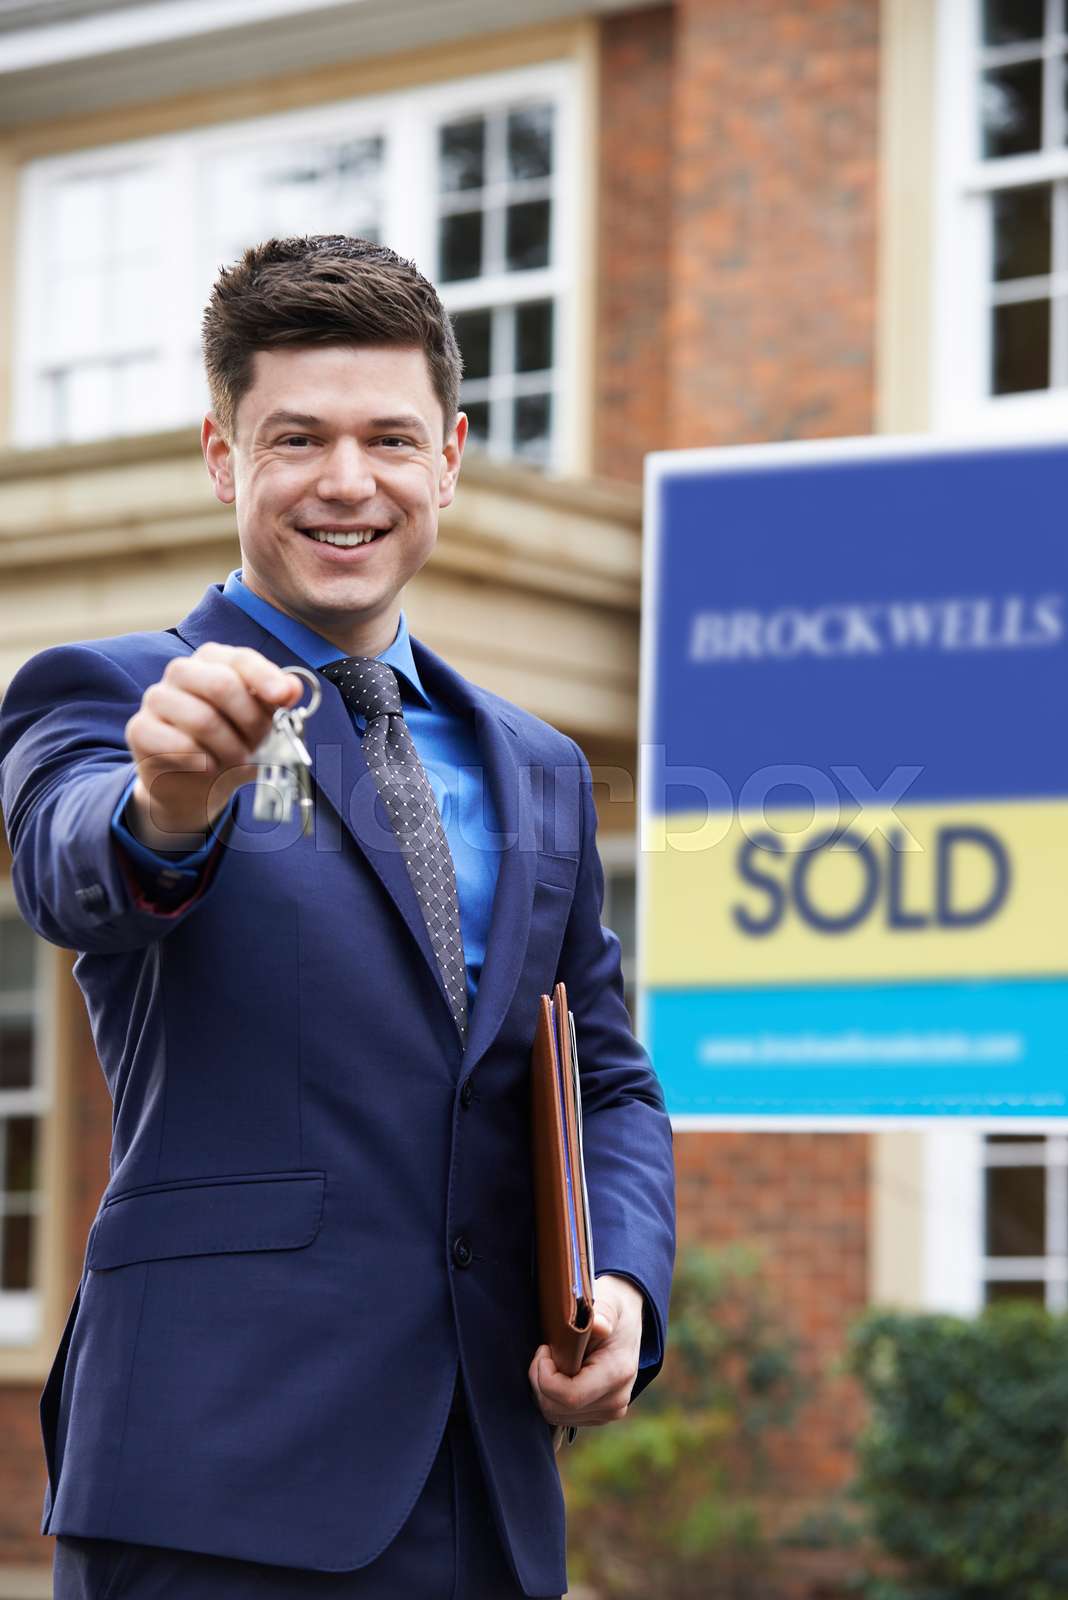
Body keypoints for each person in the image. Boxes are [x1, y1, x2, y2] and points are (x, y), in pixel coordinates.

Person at [0, 234, 676, 1599]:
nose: (348, 482)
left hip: (488, 1489)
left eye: (389, 438)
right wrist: (170, 802)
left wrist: (624, 1286)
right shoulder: (110, 694)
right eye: (296, 438)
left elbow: (606, 1080)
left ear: (452, 456)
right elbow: (77, 866)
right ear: (221, 455)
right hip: (216, 1486)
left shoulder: (536, 765)